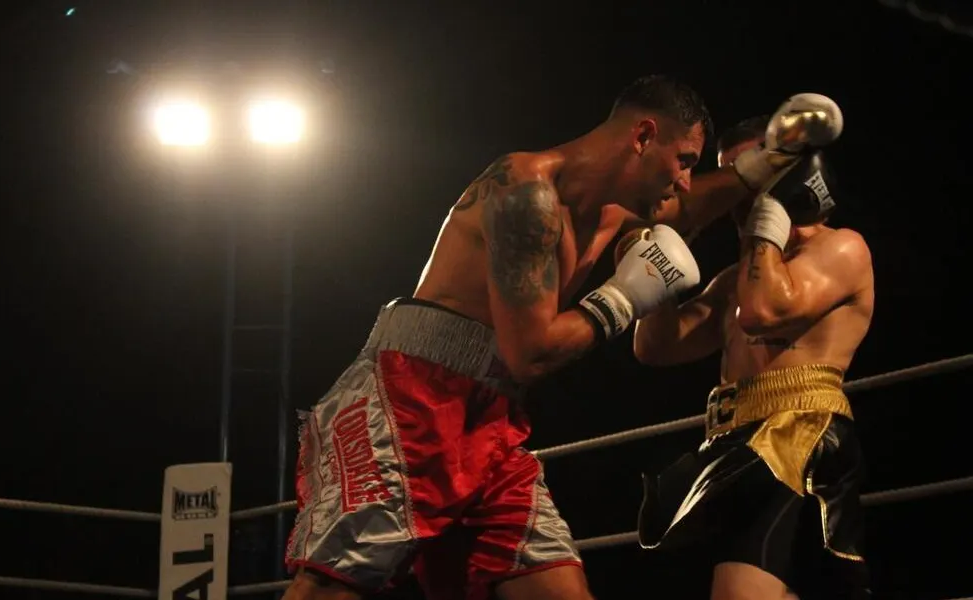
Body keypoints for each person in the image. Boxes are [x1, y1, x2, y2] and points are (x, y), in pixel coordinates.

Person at [283, 77, 844, 600]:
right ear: (643, 136)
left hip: (492, 422)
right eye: (682, 162)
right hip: (405, 399)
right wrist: (625, 297)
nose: (684, 181)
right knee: (336, 585)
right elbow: (531, 353)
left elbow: (691, 207)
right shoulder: (526, 193)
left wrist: (770, 160)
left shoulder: (618, 212)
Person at [633, 116, 874, 600]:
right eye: (736, 175)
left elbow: (763, 312)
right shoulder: (735, 281)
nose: (740, 191)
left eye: (759, 171)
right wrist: (655, 262)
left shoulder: (841, 247)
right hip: (733, 446)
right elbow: (656, 347)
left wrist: (770, 213)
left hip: (794, 438)